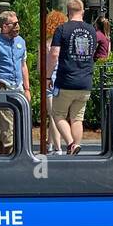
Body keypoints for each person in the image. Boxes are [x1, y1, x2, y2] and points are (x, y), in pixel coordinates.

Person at [49, 0, 98, 155]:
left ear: (68, 12)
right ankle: (76, 147)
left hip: (66, 80)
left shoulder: (62, 29)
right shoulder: (91, 30)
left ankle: (71, 144)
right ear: (82, 11)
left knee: (58, 114)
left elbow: (54, 53)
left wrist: (48, 76)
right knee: (77, 118)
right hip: (85, 81)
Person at [0, 11, 29, 154]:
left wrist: (27, 89)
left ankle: (0, 154)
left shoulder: (21, 42)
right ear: (4, 26)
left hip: (19, 88)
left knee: (20, 124)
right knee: (8, 127)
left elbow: (23, 65)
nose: (18, 26)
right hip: (3, 88)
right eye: (14, 24)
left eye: (18, 23)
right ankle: (9, 157)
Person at [42, 9, 67, 153]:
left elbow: (41, 67)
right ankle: (51, 144)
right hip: (62, 79)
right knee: (58, 114)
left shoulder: (45, 43)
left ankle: (57, 147)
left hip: (49, 80)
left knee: (53, 115)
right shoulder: (64, 43)